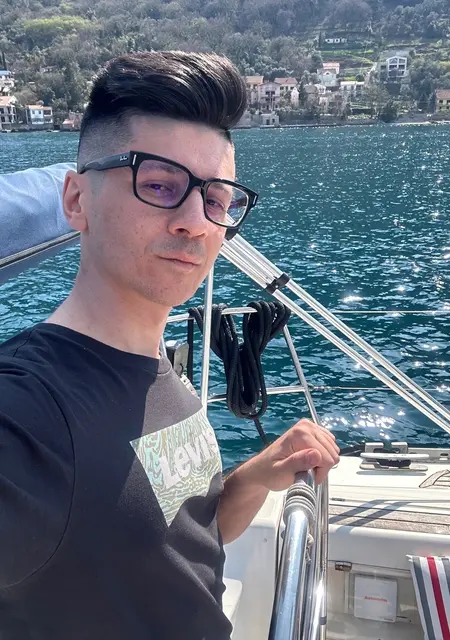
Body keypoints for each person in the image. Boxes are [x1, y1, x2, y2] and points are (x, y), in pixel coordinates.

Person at [0, 51, 339, 640]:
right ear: (76, 201)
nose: (196, 221)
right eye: (159, 185)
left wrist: (253, 478)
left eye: (217, 199)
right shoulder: (27, 416)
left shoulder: (160, 376)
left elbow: (181, 540)